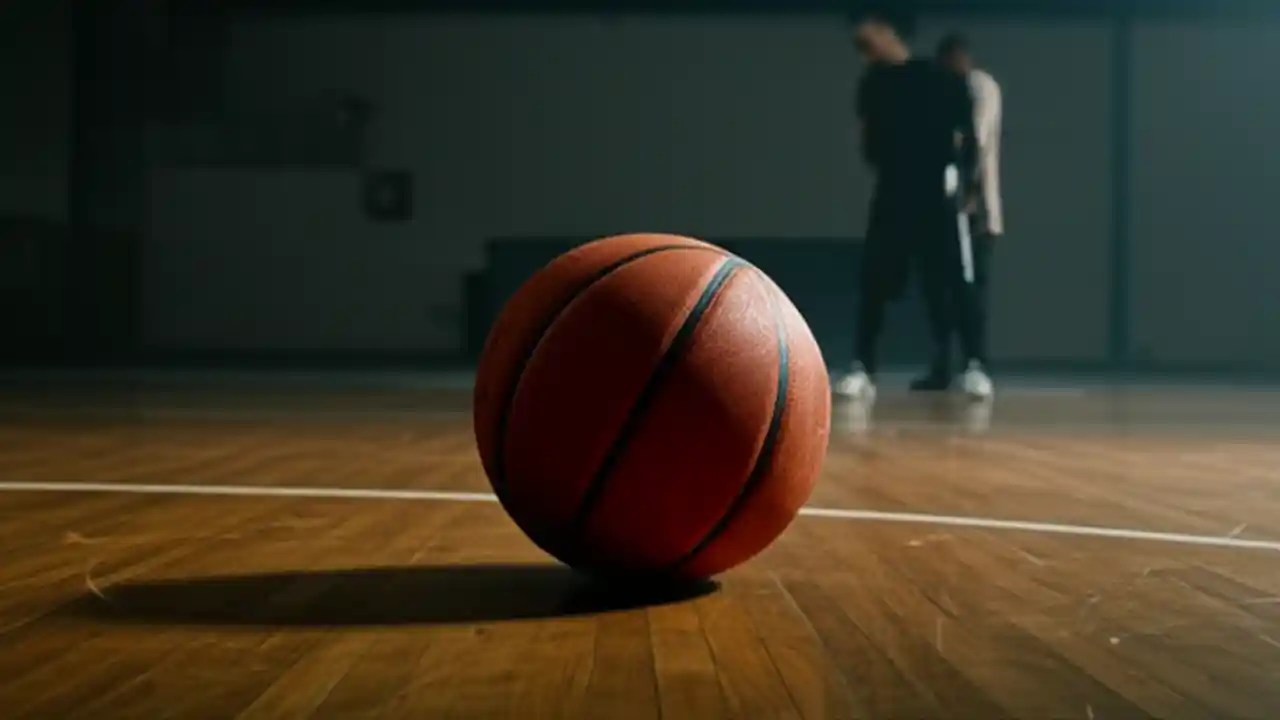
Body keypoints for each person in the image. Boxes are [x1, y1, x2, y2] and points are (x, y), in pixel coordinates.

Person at [835, 8, 993, 401]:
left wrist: (966, 184)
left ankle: (974, 366)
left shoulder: (941, 80)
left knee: (956, 283)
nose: (861, 43)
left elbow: (970, 139)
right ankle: (862, 367)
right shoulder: (871, 84)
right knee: (874, 282)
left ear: (889, 31)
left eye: (867, 34)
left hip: (938, 197)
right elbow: (869, 145)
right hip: (892, 193)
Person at [938, 33, 1003, 377]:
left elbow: (975, 139)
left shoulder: (978, 87)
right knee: (946, 291)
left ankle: (974, 363)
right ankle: (947, 366)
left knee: (970, 289)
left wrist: (971, 196)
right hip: (953, 209)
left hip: (975, 213)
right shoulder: (954, 90)